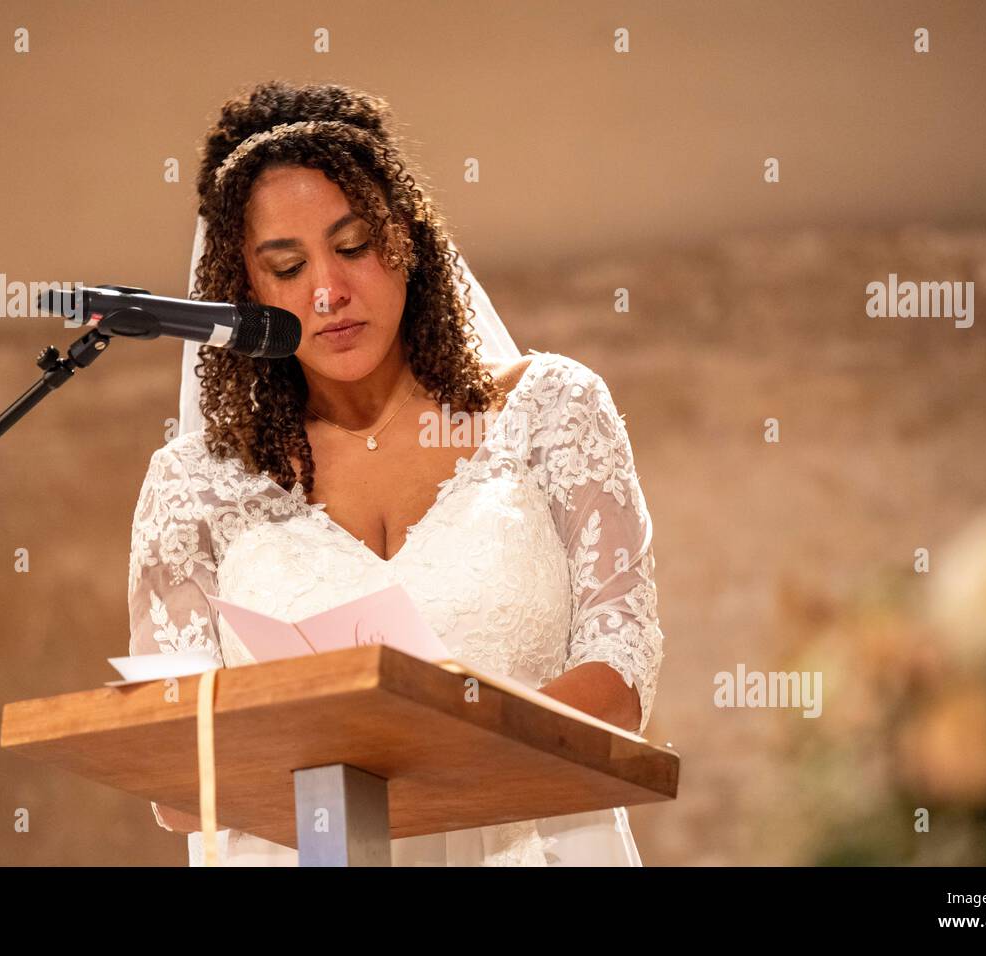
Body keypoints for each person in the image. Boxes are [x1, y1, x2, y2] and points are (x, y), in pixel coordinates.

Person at [127, 80, 664, 866]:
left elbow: (620, 676)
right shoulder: (194, 487)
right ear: (244, 295)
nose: (328, 291)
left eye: (353, 247)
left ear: (408, 241)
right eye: (285, 266)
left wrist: (430, 749)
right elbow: (176, 785)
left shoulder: (553, 409)